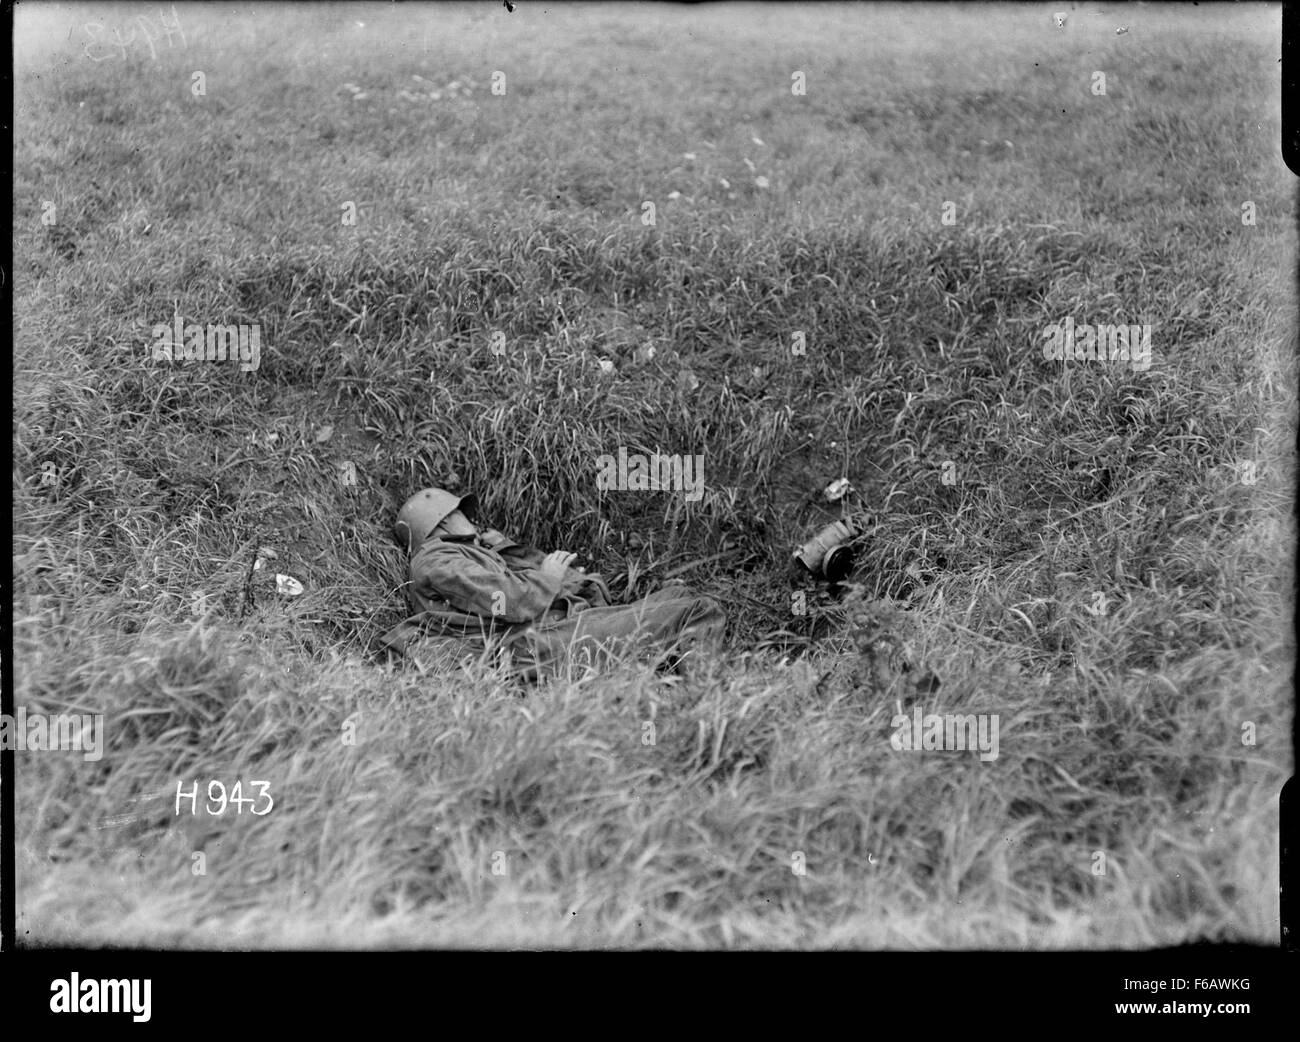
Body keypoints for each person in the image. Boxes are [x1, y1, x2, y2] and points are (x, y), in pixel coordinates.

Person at [380, 487, 726, 682]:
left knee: (679, 596)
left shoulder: (471, 553)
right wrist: (547, 576)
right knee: (698, 610)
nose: (470, 518)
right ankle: (703, 701)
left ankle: (664, 677)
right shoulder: (436, 560)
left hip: (547, 634)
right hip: (529, 648)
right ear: (444, 520)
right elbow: (510, 601)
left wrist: (503, 550)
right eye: (461, 512)